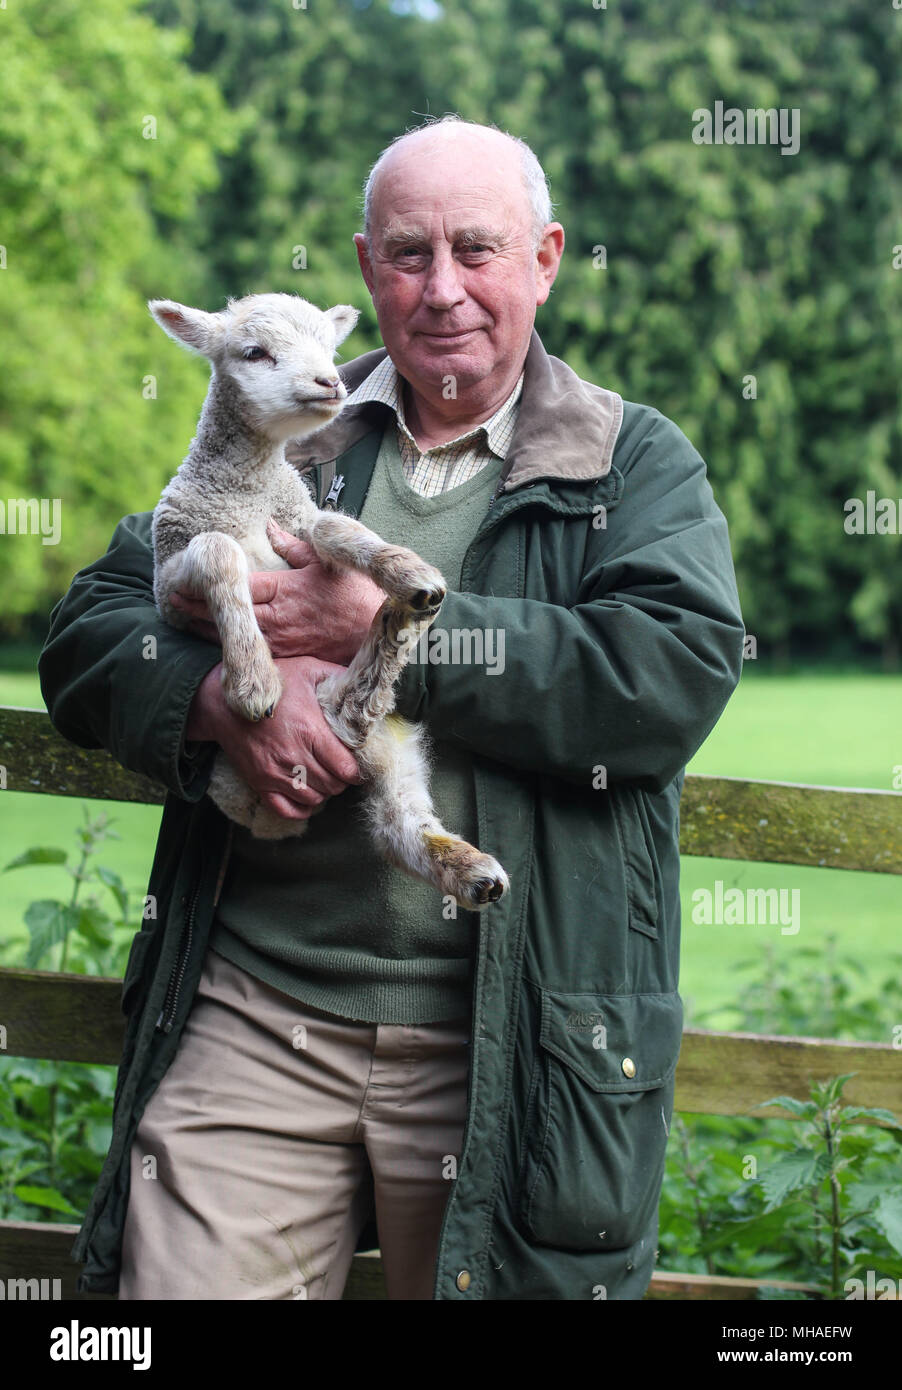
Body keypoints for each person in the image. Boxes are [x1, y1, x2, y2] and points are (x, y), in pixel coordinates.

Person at [38, 116, 744, 1300]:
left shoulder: (631, 464)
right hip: (259, 1012)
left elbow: (661, 676)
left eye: (477, 249)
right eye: (408, 253)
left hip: (511, 1043)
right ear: (364, 271)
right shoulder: (285, 424)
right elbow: (89, 630)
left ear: (546, 258)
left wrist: (383, 636)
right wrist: (213, 696)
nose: (443, 288)